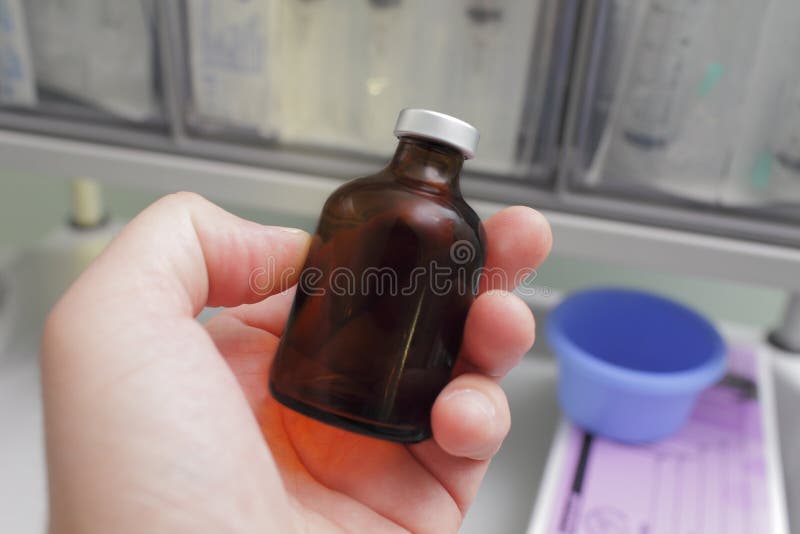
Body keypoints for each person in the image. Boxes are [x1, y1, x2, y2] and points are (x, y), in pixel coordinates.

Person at [41, 192, 552, 533]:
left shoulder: (427, 222)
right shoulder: (367, 206)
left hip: (373, 462)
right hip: (280, 428)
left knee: (482, 367)